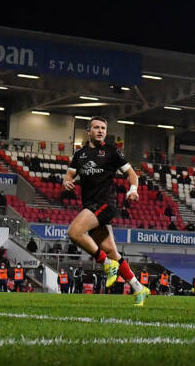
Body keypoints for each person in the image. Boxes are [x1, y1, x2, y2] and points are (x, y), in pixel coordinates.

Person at [63, 116, 149, 307]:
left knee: (74, 232)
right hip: (90, 205)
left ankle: (107, 265)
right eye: (96, 127)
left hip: (105, 204)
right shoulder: (80, 154)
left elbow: (131, 174)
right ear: (88, 131)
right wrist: (67, 181)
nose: (100, 131)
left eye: (103, 128)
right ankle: (138, 288)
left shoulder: (111, 152)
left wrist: (133, 189)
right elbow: (69, 175)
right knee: (111, 251)